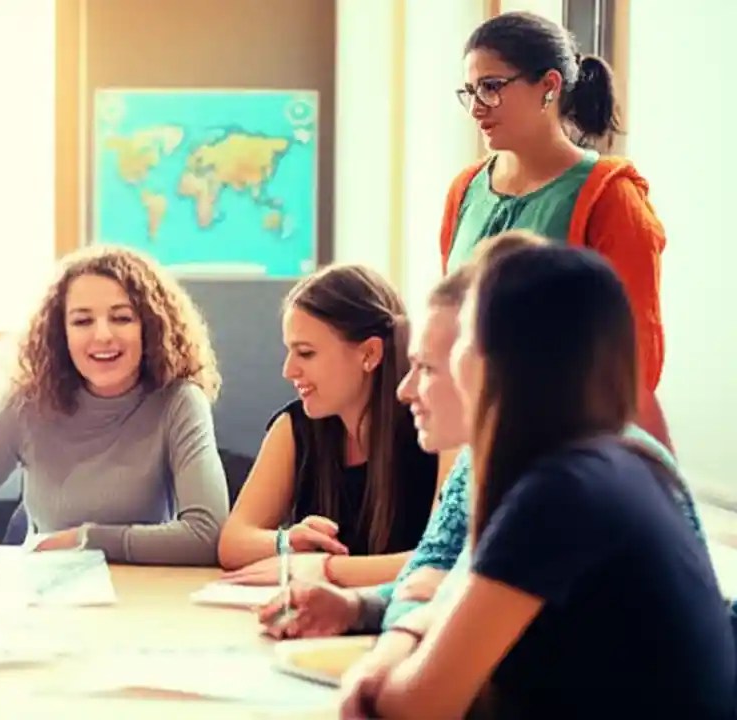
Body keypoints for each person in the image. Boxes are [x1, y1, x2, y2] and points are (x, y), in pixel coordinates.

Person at [342, 246, 734, 719]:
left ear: (500, 358)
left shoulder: (561, 492)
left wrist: (389, 650)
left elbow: (413, 708)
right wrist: (424, 618)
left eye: (464, 334)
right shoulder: (616, 465)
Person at [259, 232, 703, 642]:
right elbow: (425, 576)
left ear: (491, 365)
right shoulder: (484, 460)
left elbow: (420, 676)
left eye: (429, 367)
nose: (404, 389)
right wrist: (361, 604)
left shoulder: (566, 486)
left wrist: (423, 604)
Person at [441, 10, 671, 447]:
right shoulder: (464, 190)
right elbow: (448, 322)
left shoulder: (610, 197)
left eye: (491, 88)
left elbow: (636, 358)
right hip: (473, 443)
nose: (475, 108)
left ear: (549, 86)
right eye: (470, 91)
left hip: (566, 445)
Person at [0, 245, 229, 566]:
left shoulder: (178, 401)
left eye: (122, 318)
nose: (103, 335)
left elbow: (207, 535)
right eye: (82, 321)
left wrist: (85, 539)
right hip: (47, 592)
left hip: (142, 592)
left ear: (149, 326)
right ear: (60, 333)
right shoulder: (27, 403)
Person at [217, 264, 437, 588]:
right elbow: (233, 542)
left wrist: (321, 569)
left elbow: (441, 565)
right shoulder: (294, 429)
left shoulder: (435, 431)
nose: (288, 370)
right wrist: (287, 542)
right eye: (289, 351)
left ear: (369, 353)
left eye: (305, 353)